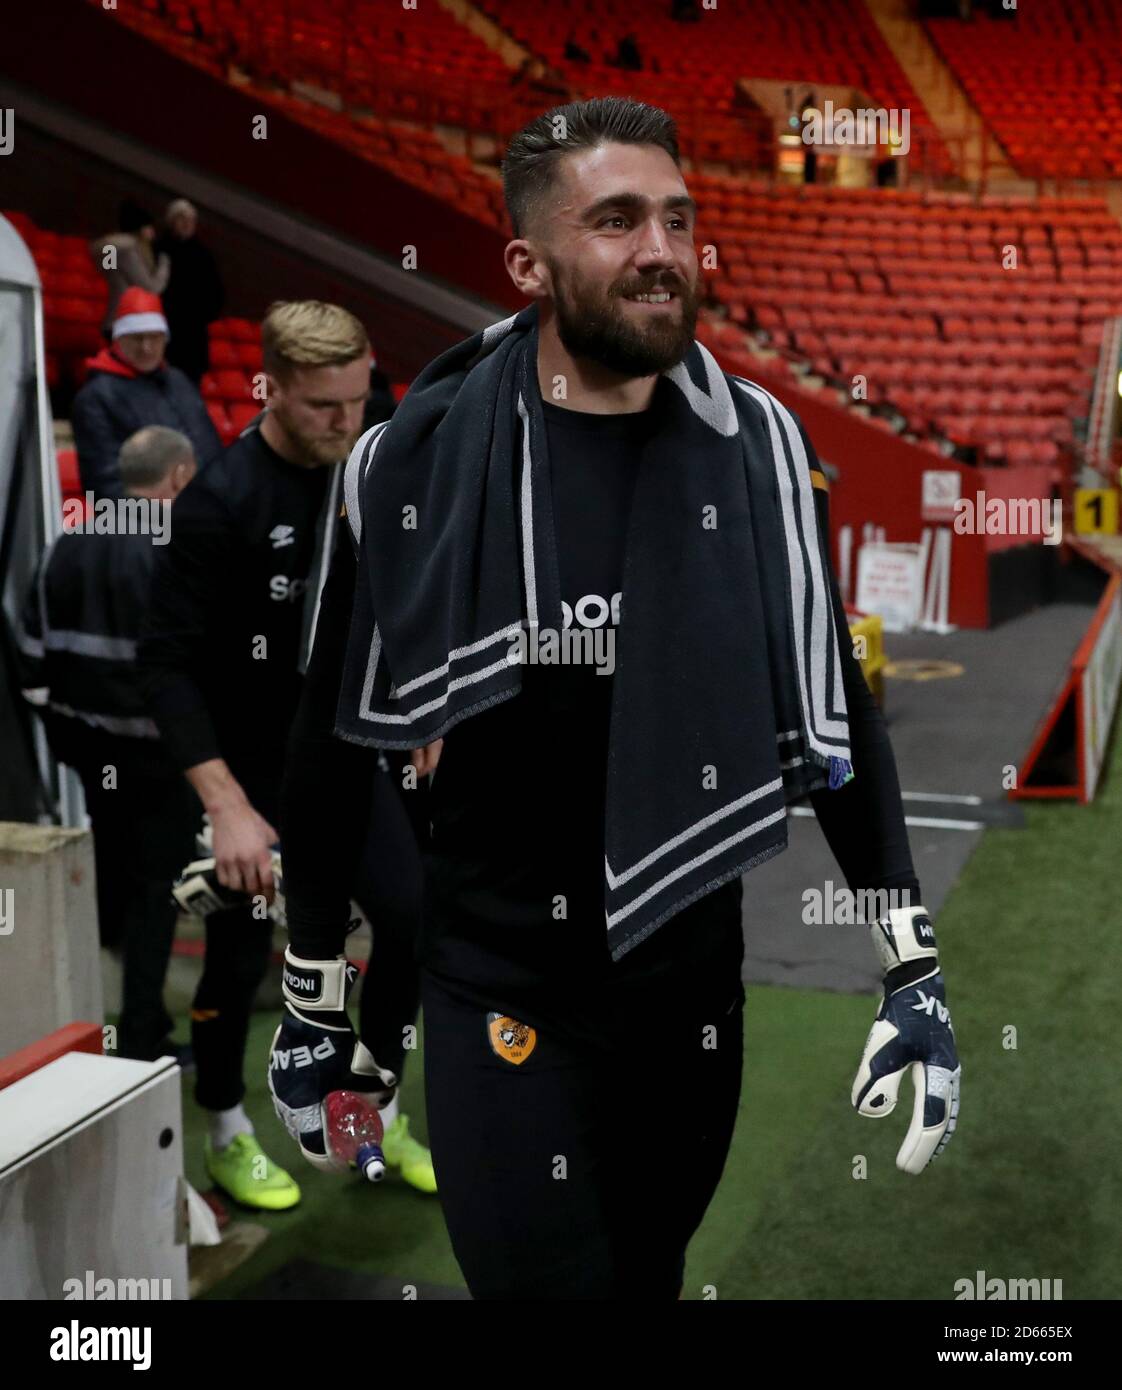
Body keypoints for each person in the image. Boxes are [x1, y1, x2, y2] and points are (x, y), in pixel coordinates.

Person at [269, 96, 961, 1299]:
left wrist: (913, 965)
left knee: (646, 1283)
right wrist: (315, 993)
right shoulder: (412, 463)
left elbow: (839, 721)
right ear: (529, 262)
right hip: (501, 989)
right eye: (619, 219)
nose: (661, 249)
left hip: (691, 998)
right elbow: (330, 738)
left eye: (679, 219)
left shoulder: (760, 451)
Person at [137, 300, 435, 1212]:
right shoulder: (223, 501)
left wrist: (424, 713)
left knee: (411, 917)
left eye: (358, 399)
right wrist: (225, 805)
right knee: (234, 959)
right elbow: (167, 665)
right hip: (249, 770)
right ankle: (226, 1128)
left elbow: (399, 608)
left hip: (341, 752)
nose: (348, 423)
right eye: (323, 408)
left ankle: (368, 1109)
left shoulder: (371, 467)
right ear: (272, 389)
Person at [19, 427, 200, 1063]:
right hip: (159, 757)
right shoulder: (175, 546)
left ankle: (97, 1020)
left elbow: (32, 657)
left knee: (116, 876)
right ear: (178, 476)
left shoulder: (66, 541)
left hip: (88, 752)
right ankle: (142, 1035)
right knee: (156, 892)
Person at [71, 287, 223, 500]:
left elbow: (210, 447)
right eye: (136, 338)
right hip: (147, 523)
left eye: (155, 337)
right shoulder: (95, 398)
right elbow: (105, 483)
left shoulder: (179, 381)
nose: (147, 347)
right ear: (118, 340)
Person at [154, 199, 225, 385]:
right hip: (164, 328)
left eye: (190, 220)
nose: (186, 223)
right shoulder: (159, 249)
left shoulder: (203, 255)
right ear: (171, 221)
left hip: (193, 334)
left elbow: (216, 294)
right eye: (181, 218)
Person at [89, 198, 171, 338]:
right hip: (125, 322)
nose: (153, 232)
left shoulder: (116, 249)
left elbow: (108, 268)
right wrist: (165, 265)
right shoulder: (127, 252)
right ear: (141, 228)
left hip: (117, 319)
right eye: (149, 227)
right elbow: (151, 287)